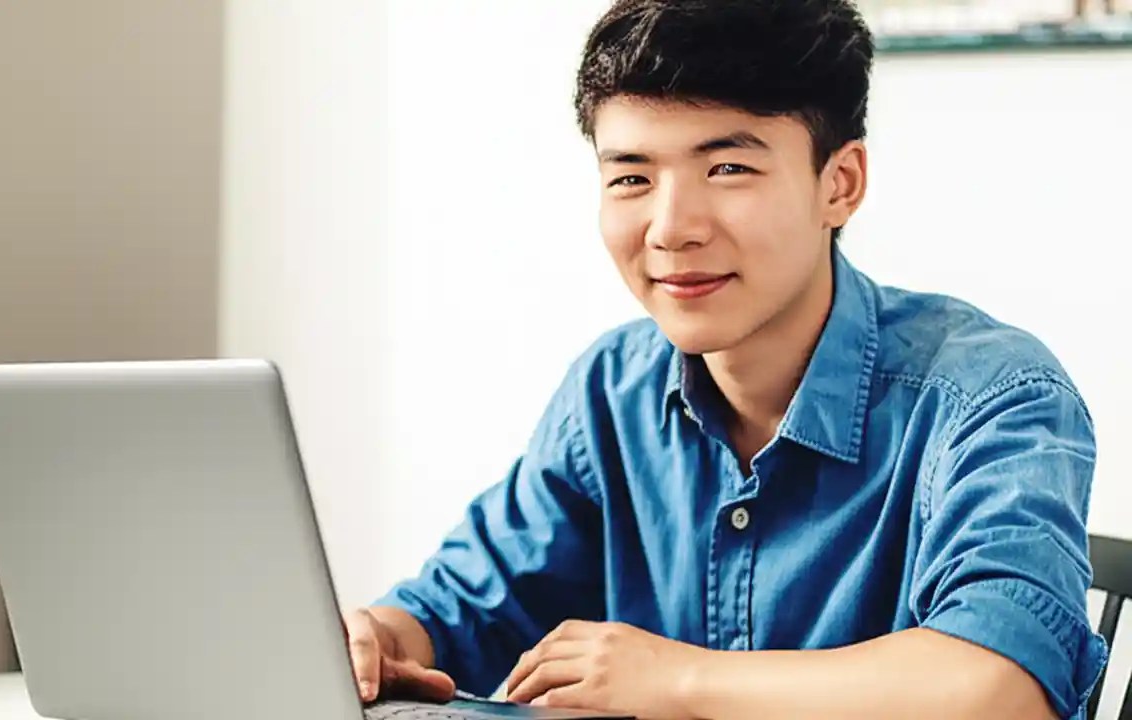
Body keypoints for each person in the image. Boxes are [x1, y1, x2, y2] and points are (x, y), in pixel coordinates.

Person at [344, 1, 1108, 718]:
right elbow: (456, 610)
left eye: (728, 169)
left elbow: (1003, 686)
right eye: (632, 178)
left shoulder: (992, 394)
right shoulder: (613, 389)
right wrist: (376, 639)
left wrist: (676, 677)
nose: (671, 228)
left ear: (839, 184)